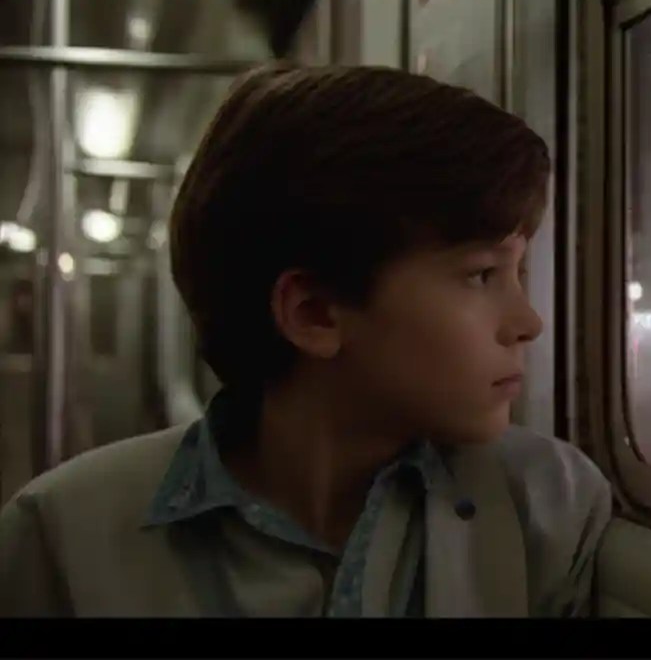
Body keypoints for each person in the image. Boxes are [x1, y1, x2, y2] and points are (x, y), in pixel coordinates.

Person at [0, 63, 612, 617]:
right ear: (315, 314)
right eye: (481, 275)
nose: (528, 322)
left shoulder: (547, 504)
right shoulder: (61, 536)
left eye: (519, 273)